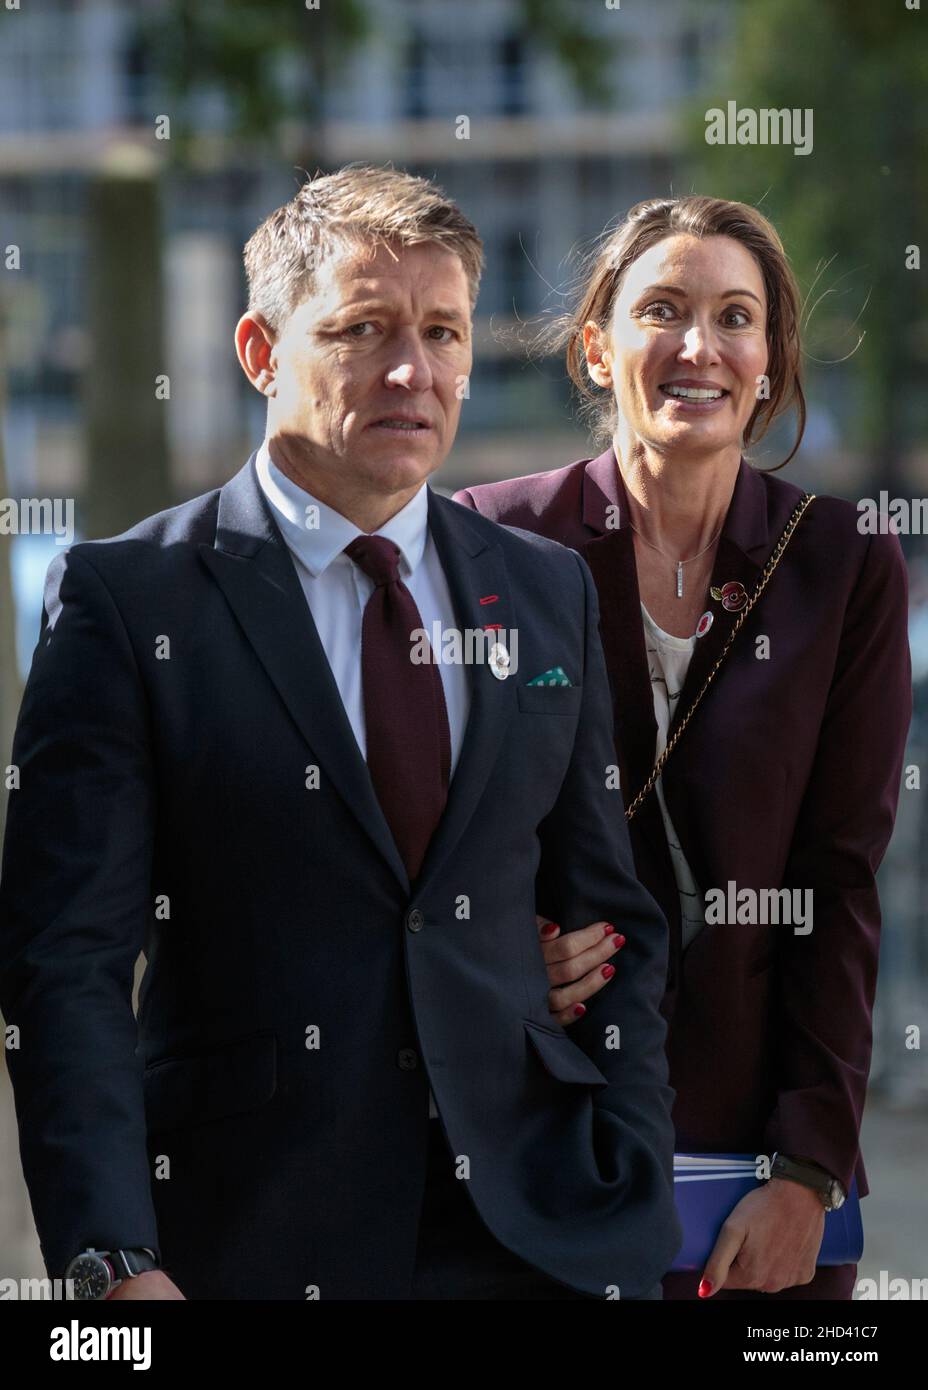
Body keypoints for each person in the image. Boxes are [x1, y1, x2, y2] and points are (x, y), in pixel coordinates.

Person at [0, 165, 680, 1301]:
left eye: (443, 331)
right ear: (261, 352)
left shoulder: (545, 588)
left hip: (544, 1233)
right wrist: (110, 1260)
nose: (412, 370)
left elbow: (613, 914)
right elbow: (63, 964)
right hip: (245, 1239)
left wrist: (629, 1173)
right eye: (363, 329)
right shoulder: (130, 600)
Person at [453, 194, 912, 1301]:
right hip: (534, 1140)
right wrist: (507, 949)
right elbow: (434, 848)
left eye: (735, 317)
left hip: (754, 1173)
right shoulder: (484, 537)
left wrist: (806, 1172)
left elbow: (837, 882)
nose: (699, 347)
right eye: (661, 309)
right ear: (596, 348)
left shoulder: (843, 564)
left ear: (769, 360)